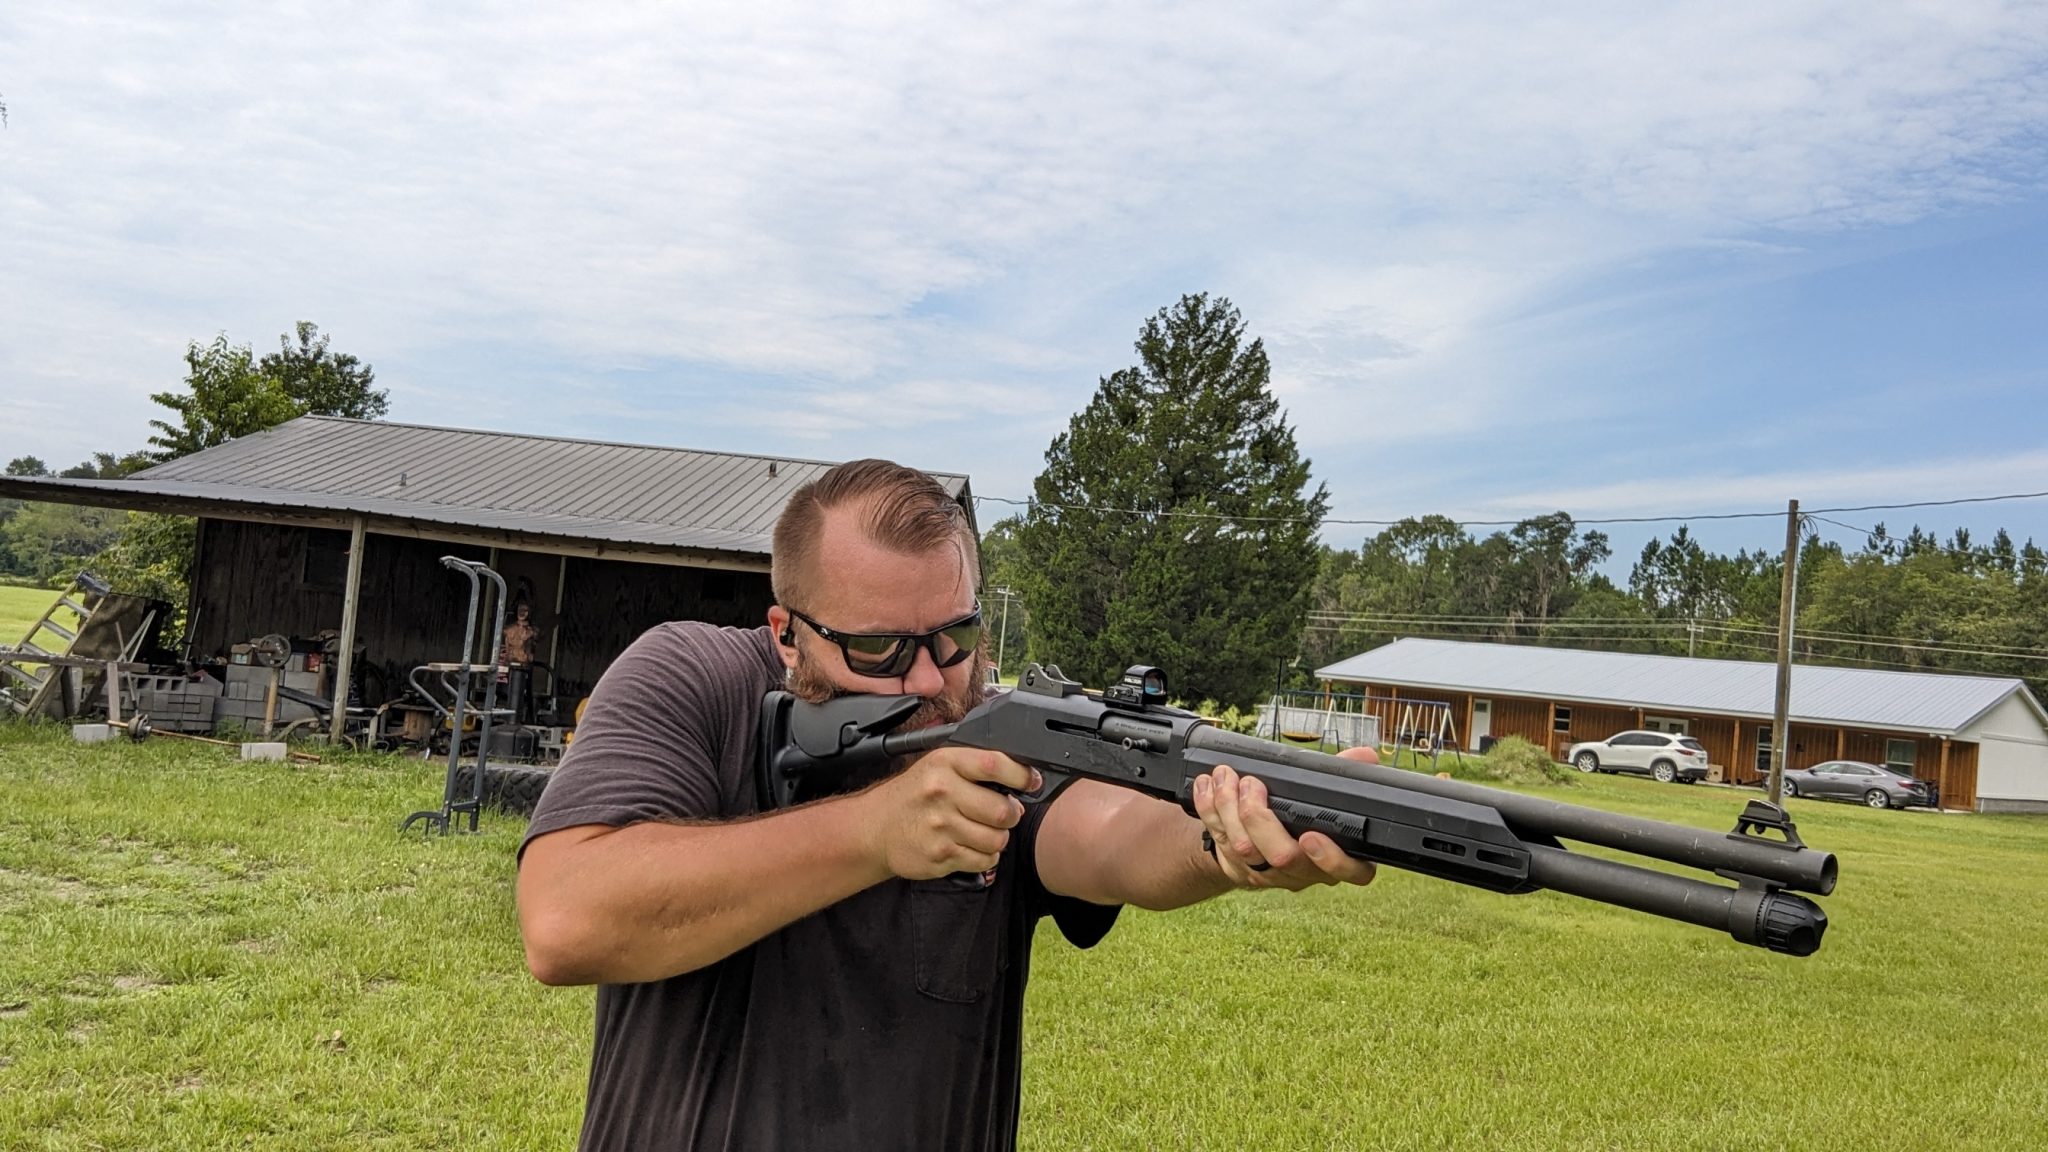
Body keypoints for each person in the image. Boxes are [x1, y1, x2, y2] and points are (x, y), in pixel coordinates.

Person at [516, 459, 1377, 1151]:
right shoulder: (691, 678)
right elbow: (564, 920)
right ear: (787, 633)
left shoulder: (992, 730)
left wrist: (1226, 836)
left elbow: (1108, 834)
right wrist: (873, 833)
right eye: (881, 648)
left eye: (955, 637)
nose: (931, 679)